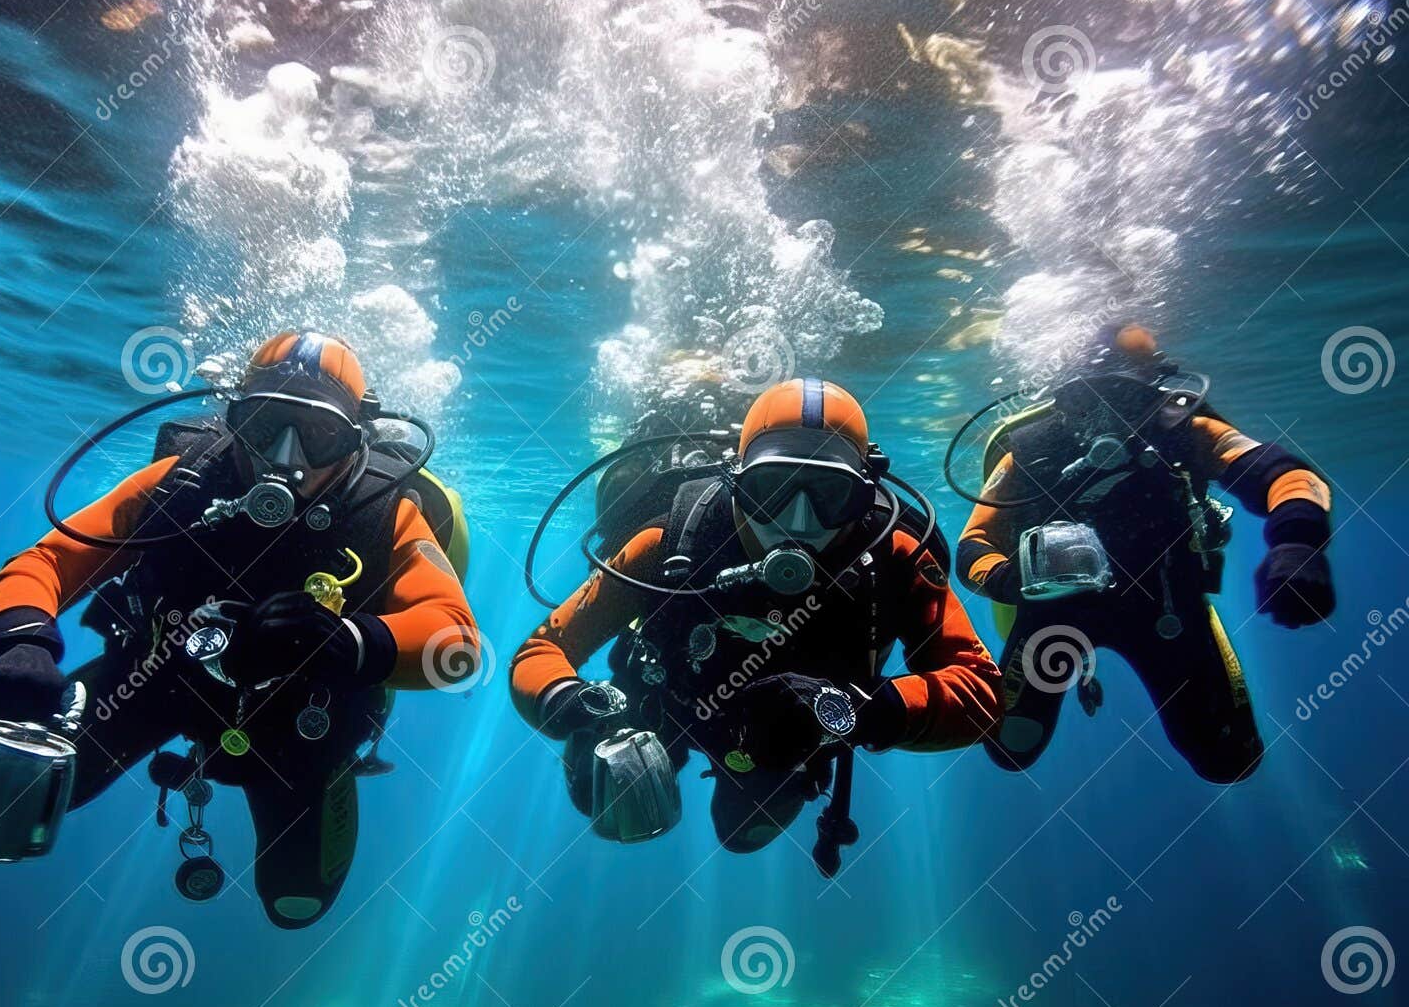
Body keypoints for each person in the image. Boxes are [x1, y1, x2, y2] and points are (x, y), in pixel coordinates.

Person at [0, 330, 478, 928]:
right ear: (233, 419)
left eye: (319, 436)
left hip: (305, 725)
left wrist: (344, 642)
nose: (286, 457)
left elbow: (457, 642)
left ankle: (332, 778)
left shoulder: (384, 511)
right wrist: (21, 645)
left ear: (353, 439)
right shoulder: (180, 484)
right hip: (157, 683)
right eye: (263, 425)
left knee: (297, 901)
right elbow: (45, 563)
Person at [511, 377, 1002, 871]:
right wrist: (569, 704)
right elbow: (545, 649)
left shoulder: (894, 555)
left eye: (831, 495)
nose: (801, 522)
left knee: (744, 833)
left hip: (790, 740)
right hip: (662, 707)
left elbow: (981, 689)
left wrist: (865, 713)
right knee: (603, 800)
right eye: (773, 491)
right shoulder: (670, 540)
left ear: (865, 494)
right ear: (737, 482)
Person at [954, 324, 1335, 783]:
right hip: (1055, 615)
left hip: (1167, 608)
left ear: (1156, 392)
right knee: (1010, 749)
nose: (1109, 418)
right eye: (1092, 399)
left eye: (1128, 399)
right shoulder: (1031, 451)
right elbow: (974, 545)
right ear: (1066, 398)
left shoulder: (1189, 433)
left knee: (1231, 759)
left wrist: (1297, 542)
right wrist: (1010, 579)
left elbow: (1285, 476)